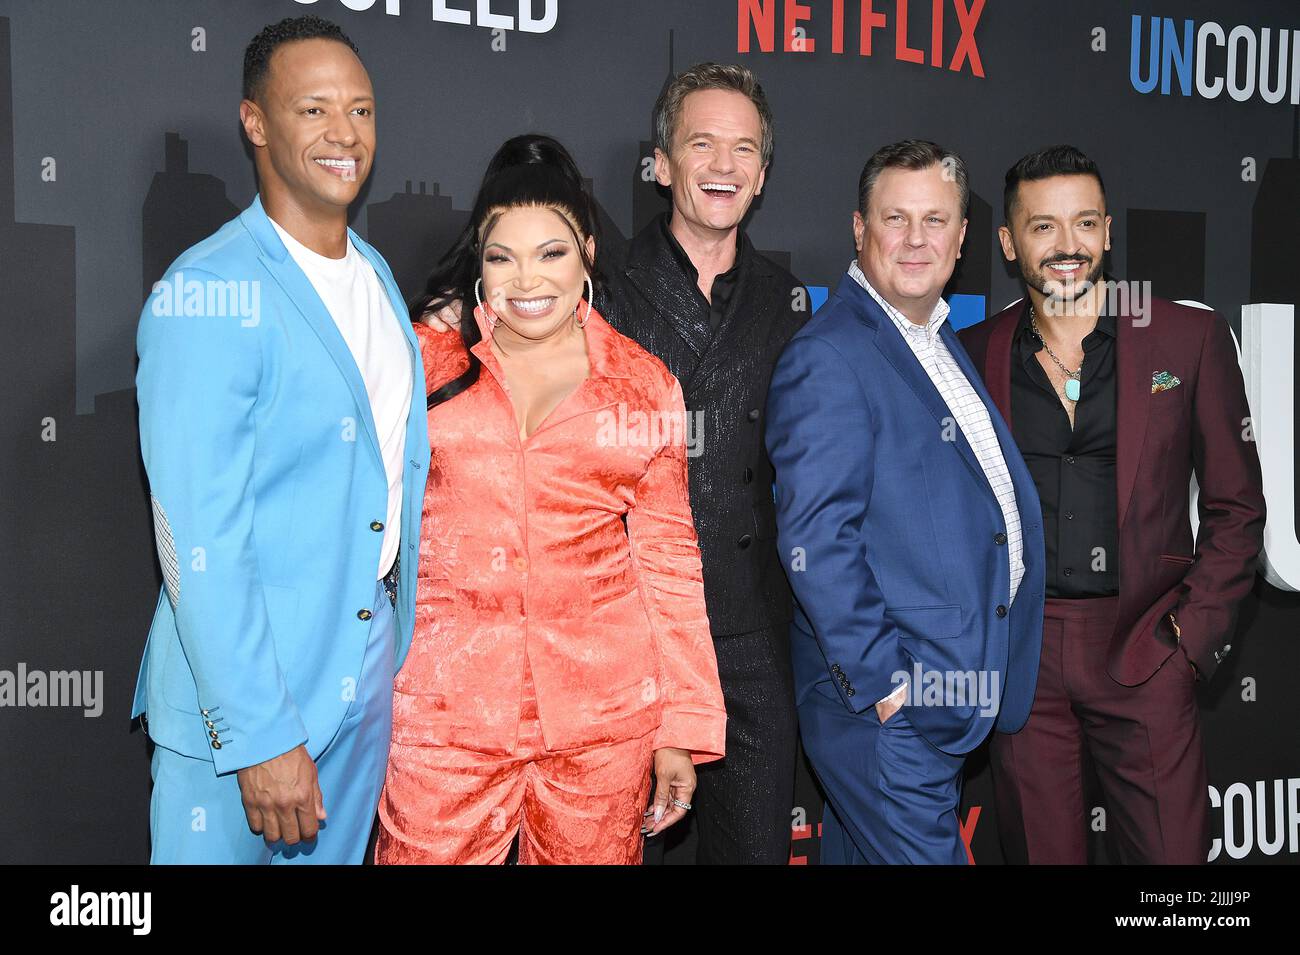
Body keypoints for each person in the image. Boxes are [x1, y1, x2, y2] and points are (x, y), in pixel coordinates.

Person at [425, 63, 804, 865]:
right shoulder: (581, 292)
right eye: (701, 143)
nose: (723, 165)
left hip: (724, 634)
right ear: (660, 163)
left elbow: (784, 479)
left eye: (743, 149)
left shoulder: (782, 299)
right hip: (547, 669)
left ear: (765, 174)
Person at [374, 134, 726, 865]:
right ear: (479, 260)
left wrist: (679, 729)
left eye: (551, 252)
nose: (525, 278)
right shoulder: (423, 360)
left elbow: (667, 561)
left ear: (588, 252)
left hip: (602, 723)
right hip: (445, 717)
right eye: (501, 256)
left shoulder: (643, 384)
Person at [132, 16, 429, 864]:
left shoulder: (374, 274)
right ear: (255, 124)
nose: (346, 133)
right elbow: (196, 536)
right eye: (315, 109)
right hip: (242, 721)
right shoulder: (206, 294)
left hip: (361, 687)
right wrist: (261, 734)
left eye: (363, 111)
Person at [958, 145, 1266, 864]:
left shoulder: (1187, 339)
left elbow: (1236, 505)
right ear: (1008, 242)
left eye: (1085, 224)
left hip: (1146, 644)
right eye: (1043, 227)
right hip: (1026, 658)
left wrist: (1189, 642)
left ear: (1106, 234)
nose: (1067, 246)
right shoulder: (973, 353)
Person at [766, 140, 1046, 864]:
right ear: (860, 229)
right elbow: (816, 538)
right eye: (897, 218)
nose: (916, 239)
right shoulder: (829, 355)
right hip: (892, 718)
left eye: (936, 220)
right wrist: (889, 686)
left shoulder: (934, 338)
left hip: (944, 704)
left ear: (962, 236)